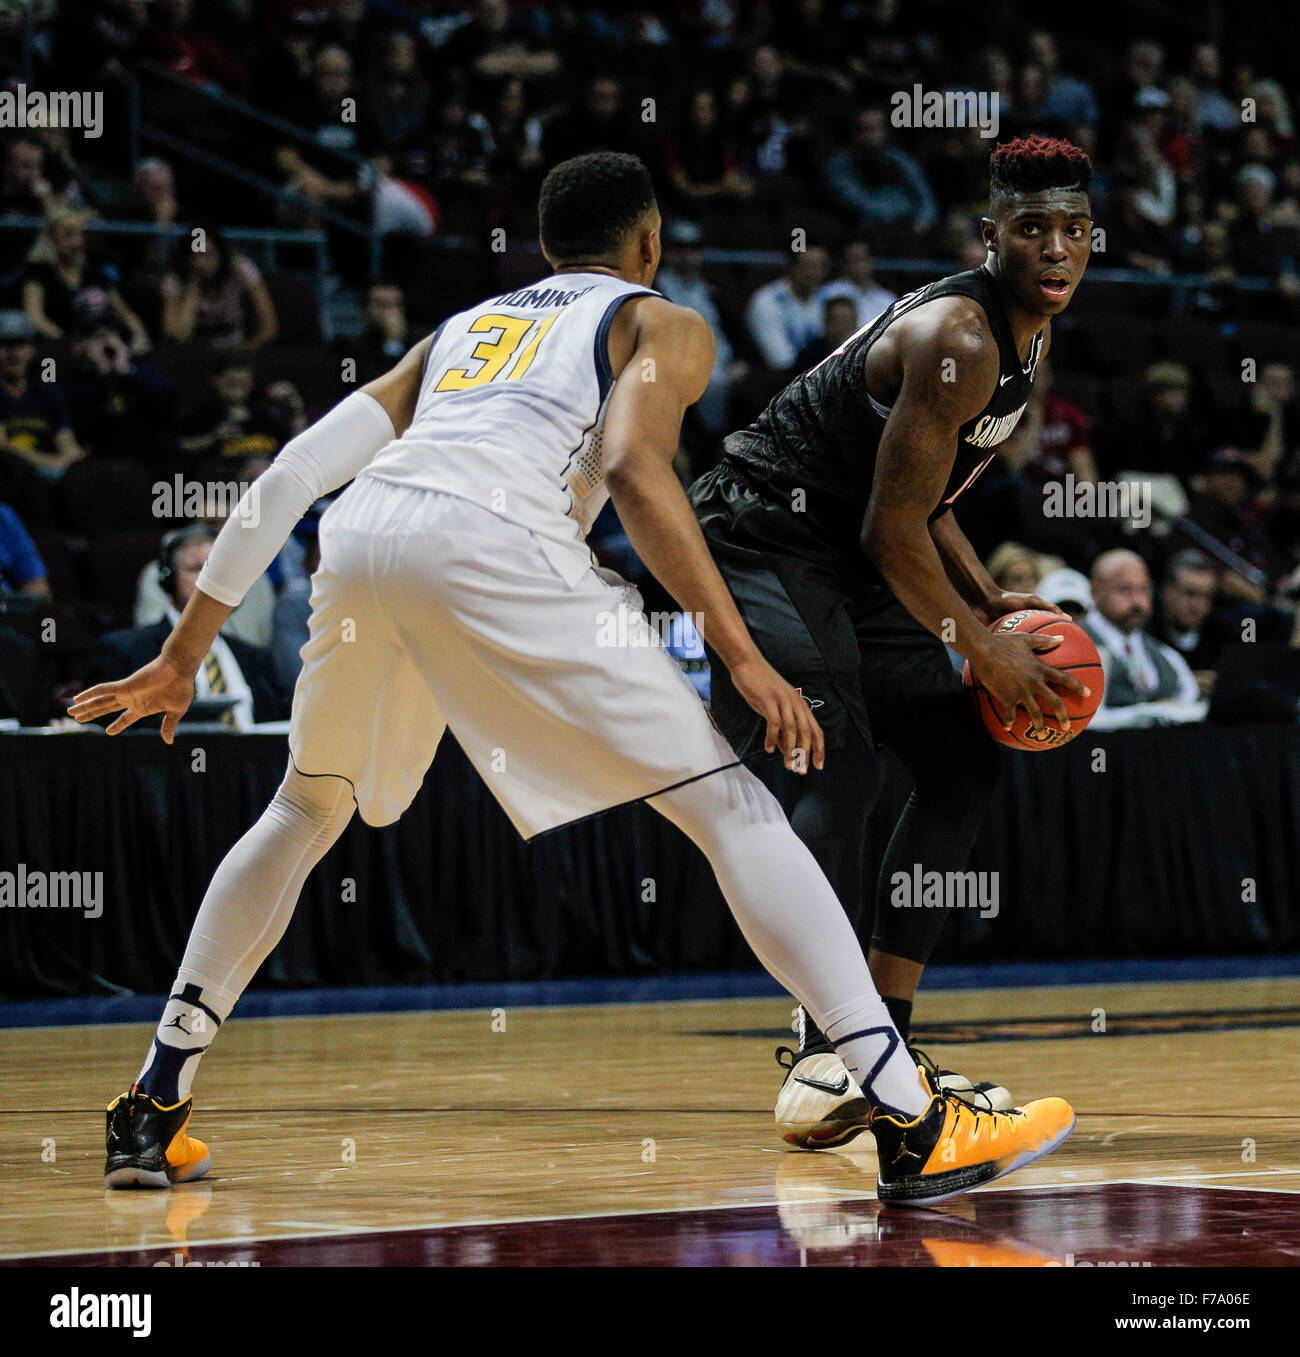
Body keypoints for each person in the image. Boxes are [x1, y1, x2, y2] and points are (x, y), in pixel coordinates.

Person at [75, 152, 1073, 1204]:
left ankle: (152, 1102)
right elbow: (642, 473)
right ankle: (911, 1121)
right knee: (731, 808)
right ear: (648, 242)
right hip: (498, 541)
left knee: (304, 805)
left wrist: (185, 650)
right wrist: (740, 653)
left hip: (365, 533)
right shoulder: (661, 321)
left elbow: (293, 473)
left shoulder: (463, 331)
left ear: (549, 247)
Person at [689, 136, 1094, 1147]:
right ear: (988, 233)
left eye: (1074, 231)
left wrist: (983, 597)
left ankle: (884, 1042)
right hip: (761, 537)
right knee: (847, 764)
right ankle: (830, 1046)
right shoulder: (956, 332)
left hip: (849, 551)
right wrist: (985, 649)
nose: (1054, 249)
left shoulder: (1031, 333)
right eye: (1031, 229)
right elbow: (885, 526)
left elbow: (921, 500)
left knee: (961, 762)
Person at [88, 526, 286, 731]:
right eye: (196, 569)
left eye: (220, 570)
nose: (211, 579)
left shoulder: (257, 660)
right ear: (168, 580)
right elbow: (103, 736)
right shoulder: (125, 652)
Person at [1082, 549, 1203, 728]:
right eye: (1125, 590)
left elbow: (1190, 701)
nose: (1137, 602)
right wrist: (1145, 714)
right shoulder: (1075, 644)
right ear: (1095, 592)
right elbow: (1080, 719)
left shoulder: (1163, 654)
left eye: (1143, 590)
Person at [745, 246, 828, 370]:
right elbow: (779, 359)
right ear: (791, 267)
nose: (815, 273)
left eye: (820, 267)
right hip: (783, 379)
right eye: (809, 266)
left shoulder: (827, 298)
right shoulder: (767, 300)